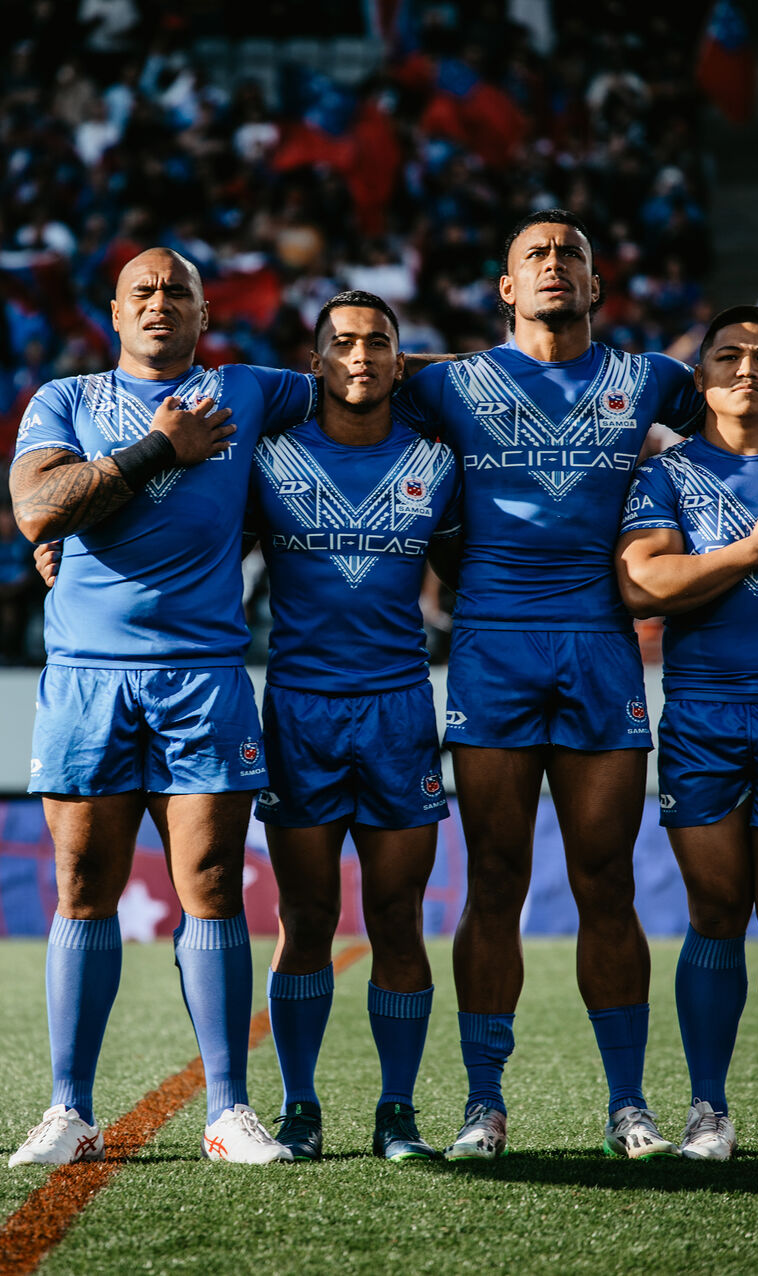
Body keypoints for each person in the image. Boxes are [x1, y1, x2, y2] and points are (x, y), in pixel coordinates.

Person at [392, 208, 703, 1160]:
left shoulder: (653, 379)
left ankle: (628, 1104)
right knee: (494, 879)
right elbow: (334, 410)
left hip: (603, 647)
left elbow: (740, 425)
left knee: (607, 880)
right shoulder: (448, 385)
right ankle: (484, 1104)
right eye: (535, 254)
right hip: (492, 648)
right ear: (506, 286)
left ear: (598, 285)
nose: (555, 264)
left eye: (572, 253)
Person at [8, 247, 317, 1167]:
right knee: (81, 888)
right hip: (87, 679)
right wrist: (158, 449)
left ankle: (228, 1110)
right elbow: (37, 510)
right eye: (142, 290)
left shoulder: (251, 391)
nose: (158, 303)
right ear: (114, 310)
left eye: (176, 290)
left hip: (205, 678)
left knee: (214, 885)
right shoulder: (63, 400)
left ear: (203, 311)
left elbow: (360, 371)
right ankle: (69, 1109)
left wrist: (513, 368)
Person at [251, 290, 462, 1162]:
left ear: (399, 361)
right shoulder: (266, 461)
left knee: (397, 918)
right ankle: (300, 1109)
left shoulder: (438, 465)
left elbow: (467, 573)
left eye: (378, 342)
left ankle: (397, 1112)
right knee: (304, 918)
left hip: (400, 712)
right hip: (298, 710)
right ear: (317, 363)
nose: (361, 356)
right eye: (342, 343)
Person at [616, 305, 758, 1160]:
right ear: (700, 377)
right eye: (730, 355)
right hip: (706, 715)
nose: (749, 368)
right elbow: (645, 582)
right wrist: (751, 554)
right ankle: (709, 1110)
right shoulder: (668, 475)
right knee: (717, 911)